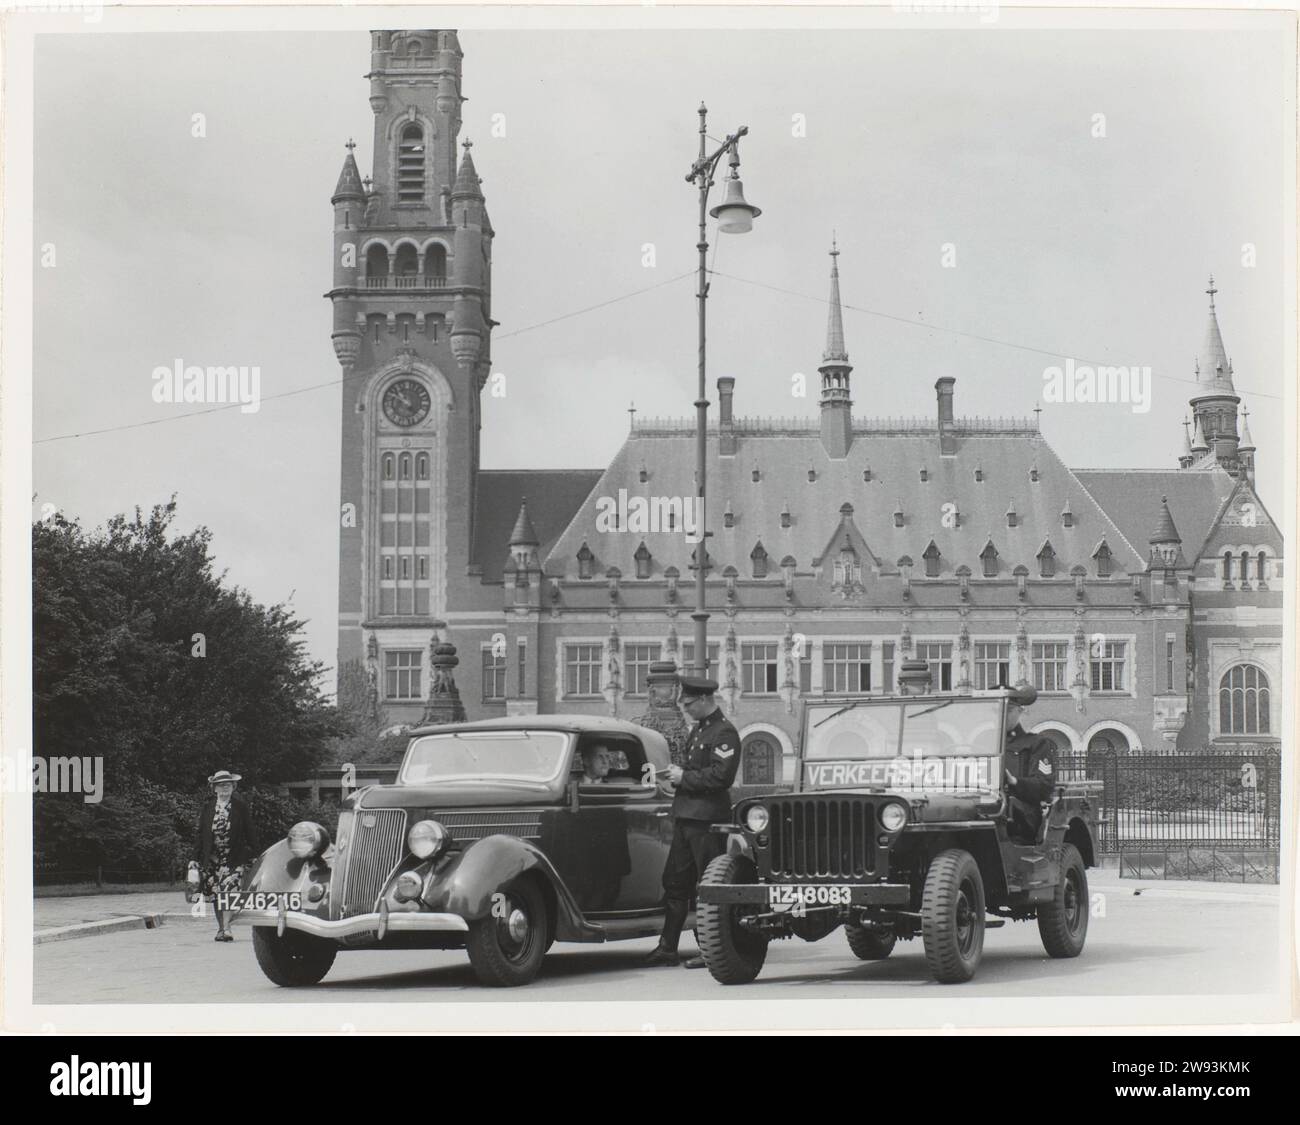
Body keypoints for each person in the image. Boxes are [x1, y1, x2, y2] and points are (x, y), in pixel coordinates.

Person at [644, 675, 741, 969]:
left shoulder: (724, 733)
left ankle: (712, 949)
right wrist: (676, 777)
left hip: (707, 820)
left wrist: (684, 777)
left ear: (703, 700)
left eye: (688, 704)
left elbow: (720, 777)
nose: (685, 709)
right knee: (675, 882)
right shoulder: (699, 731)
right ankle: (667, 947)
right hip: (687, 816)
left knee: (707, 884)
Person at [195, 770, 256, 942]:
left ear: (233, 787)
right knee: (215, 894)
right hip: (213, 858)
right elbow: (200, 834)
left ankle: (227, 928)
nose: (224, 789)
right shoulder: (208, 807)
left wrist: (255, 853)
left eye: (227, 785)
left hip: (233, 857)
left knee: (228, 891)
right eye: (220, 786)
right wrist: (194, 857)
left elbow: (250, 831)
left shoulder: (240, 807)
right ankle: (221, 927)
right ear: (214, 788)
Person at [1000, 683, 1056, 843]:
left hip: (1020, 819)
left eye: (1008, 710)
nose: (1002, 714)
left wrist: (1015, 782)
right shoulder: (979, 744)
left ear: (1019, 711)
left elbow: (1044, 785)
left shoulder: (1035, 743)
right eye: (996, 710)